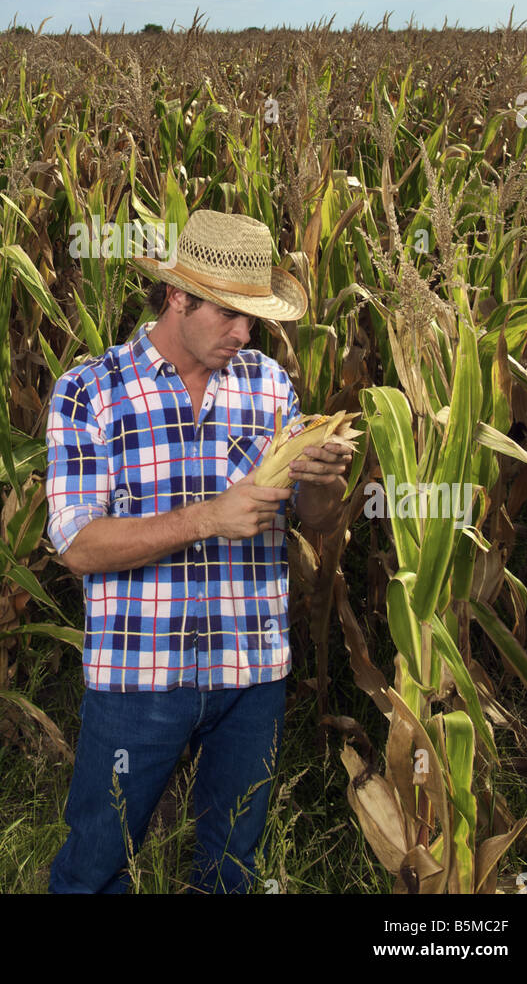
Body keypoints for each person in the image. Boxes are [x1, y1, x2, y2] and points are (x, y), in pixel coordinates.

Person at [45, 209, 353, 894]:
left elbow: (317, 522)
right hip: (139, 677)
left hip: (251, 673)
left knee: (231, 873)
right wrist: (211, 516)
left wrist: (324, 487)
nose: (245, 334)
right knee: (93, 868)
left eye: (255, 319)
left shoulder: (268, 385)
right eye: (230, 315)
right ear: (178, 296)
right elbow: (78, 546)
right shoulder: (90, 391)